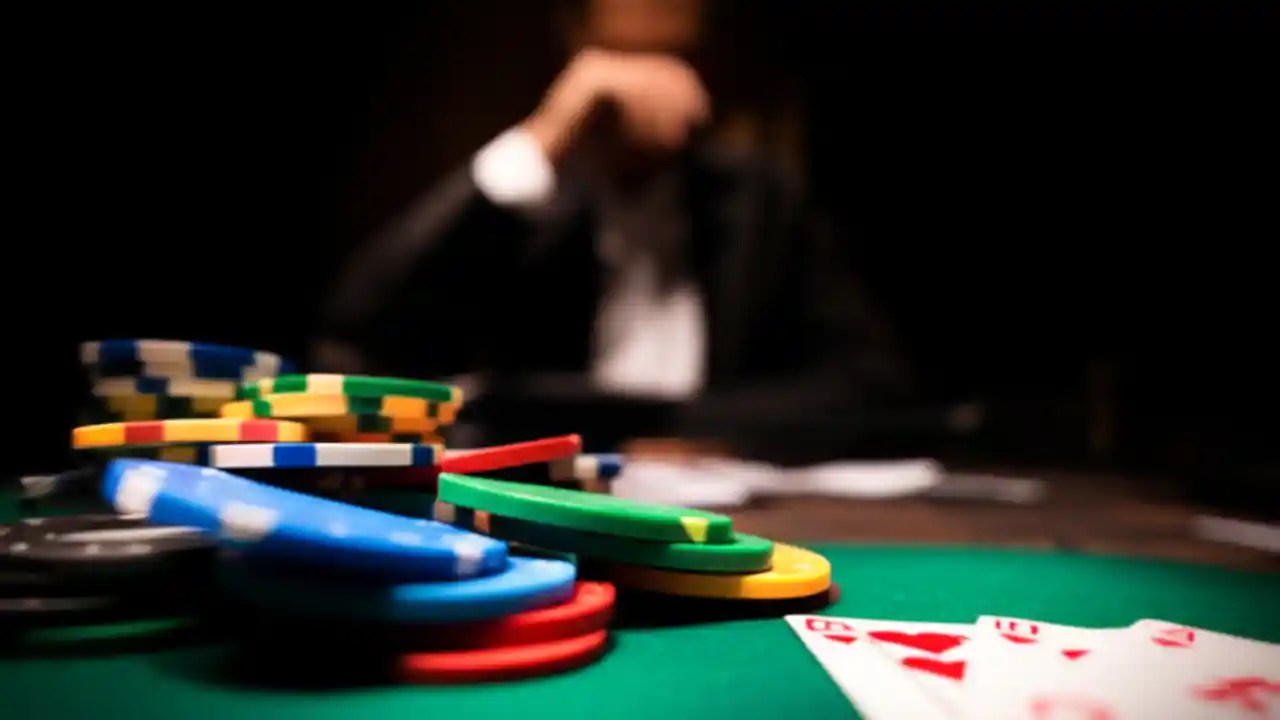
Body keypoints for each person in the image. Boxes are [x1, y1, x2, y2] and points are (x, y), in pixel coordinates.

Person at [316, 0, 910, 462]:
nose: (645, 82)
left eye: (675, 56)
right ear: (574, 45)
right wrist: (545, 135)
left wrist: (688, 431)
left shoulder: (763, 203)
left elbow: (869, 381)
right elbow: (362, 330)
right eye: (619, 55)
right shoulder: (524, 199)